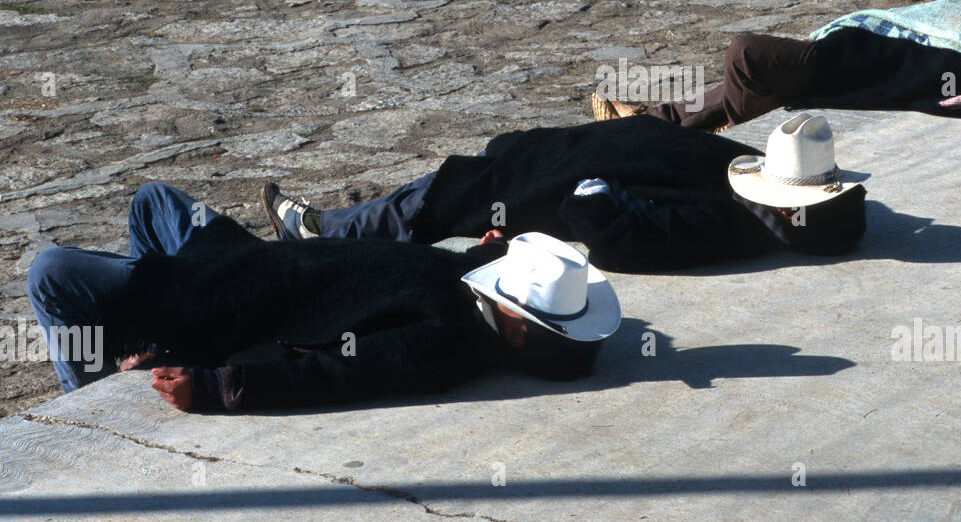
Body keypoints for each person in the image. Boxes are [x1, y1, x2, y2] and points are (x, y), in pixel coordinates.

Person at [25, 182, 618, 412]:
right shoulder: (476, 302)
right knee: (152, 201)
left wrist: (217, 387)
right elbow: (451, 272)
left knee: (50, 273)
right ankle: (150, 340)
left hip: (228, 306)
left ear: (516, 327)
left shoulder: (446, 342)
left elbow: (342, 373)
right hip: (248, 263)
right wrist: (489, 255)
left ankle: (92, 398)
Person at [261, 114, 867, 271]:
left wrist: (588, 191)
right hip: (574, 150)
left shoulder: (722, 226)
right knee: (457, 184)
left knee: (438, 198)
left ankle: (326, 232)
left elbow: (620, 242)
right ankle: (337, 230)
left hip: (554, 181)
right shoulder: (749, 174)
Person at [594, 2, 961, 137]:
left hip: (856, 69)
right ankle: (657, 121)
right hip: (872, 45)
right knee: (755, 82)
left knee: (748, 54)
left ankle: (657, 121)